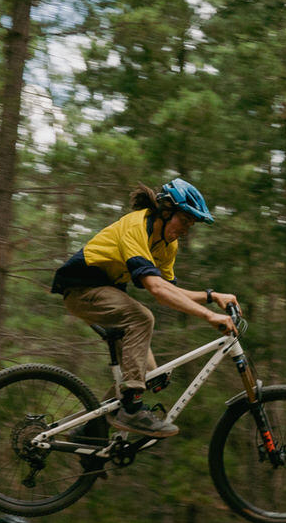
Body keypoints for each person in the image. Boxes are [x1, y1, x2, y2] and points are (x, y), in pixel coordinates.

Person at [49, 177, 236, 438]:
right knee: (141, 318)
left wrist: (211, 296)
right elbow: (156, 289)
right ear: (166, 210)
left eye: (191, 225)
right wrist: (208, 316)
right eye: (184, 221)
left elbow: (168, 290)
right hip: (81, 287)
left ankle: (92, 430)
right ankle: (131, 409)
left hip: (108, 292)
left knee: (151, 374)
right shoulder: (136, 226)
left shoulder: (168, 245)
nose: (185, 230)